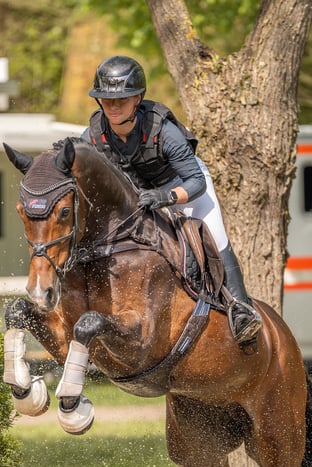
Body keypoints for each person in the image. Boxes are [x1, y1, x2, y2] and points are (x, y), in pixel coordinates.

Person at [83, 55, 262, 346]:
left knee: (215, 236)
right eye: (106, 100)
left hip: (181, 185)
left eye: (121, 100)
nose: (113, 107)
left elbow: (196, 182)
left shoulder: (162, 130)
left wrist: (166, 197)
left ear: (137, 99)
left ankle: (241, 311)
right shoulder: (93, 136)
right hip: (139, 196)